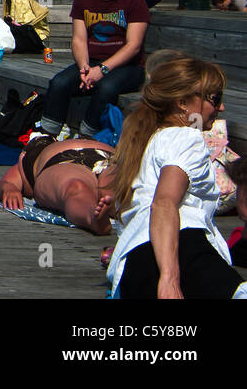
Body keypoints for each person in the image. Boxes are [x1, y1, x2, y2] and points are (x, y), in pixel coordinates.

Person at [103, 52, 246, 299]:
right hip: (182, 248)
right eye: (215, 98)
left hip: (136, 259)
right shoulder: (185, 137)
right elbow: (165, 201)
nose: (221, 107)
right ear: (182, 102)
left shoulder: (147, 139)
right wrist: (169, 278)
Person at [38, 0, 150, 141]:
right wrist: (84, 69)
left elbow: (133, 46)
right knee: (59, 83)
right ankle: (47, 136)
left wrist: (102, 70)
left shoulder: (135, 0)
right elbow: (79, 39)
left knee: (106, 88)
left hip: (128, 67)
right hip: (93, 63)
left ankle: (87, 138)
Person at [0, 137, 116, 234]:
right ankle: (101, 214)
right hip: (107, 154)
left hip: (63, 159)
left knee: (75, 188)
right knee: (114, 187)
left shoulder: (28, 160)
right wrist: (9, 188)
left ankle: (91, 217)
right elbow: (6, 185)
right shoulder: (29, 162)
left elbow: (5, 183)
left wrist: (9, 188)